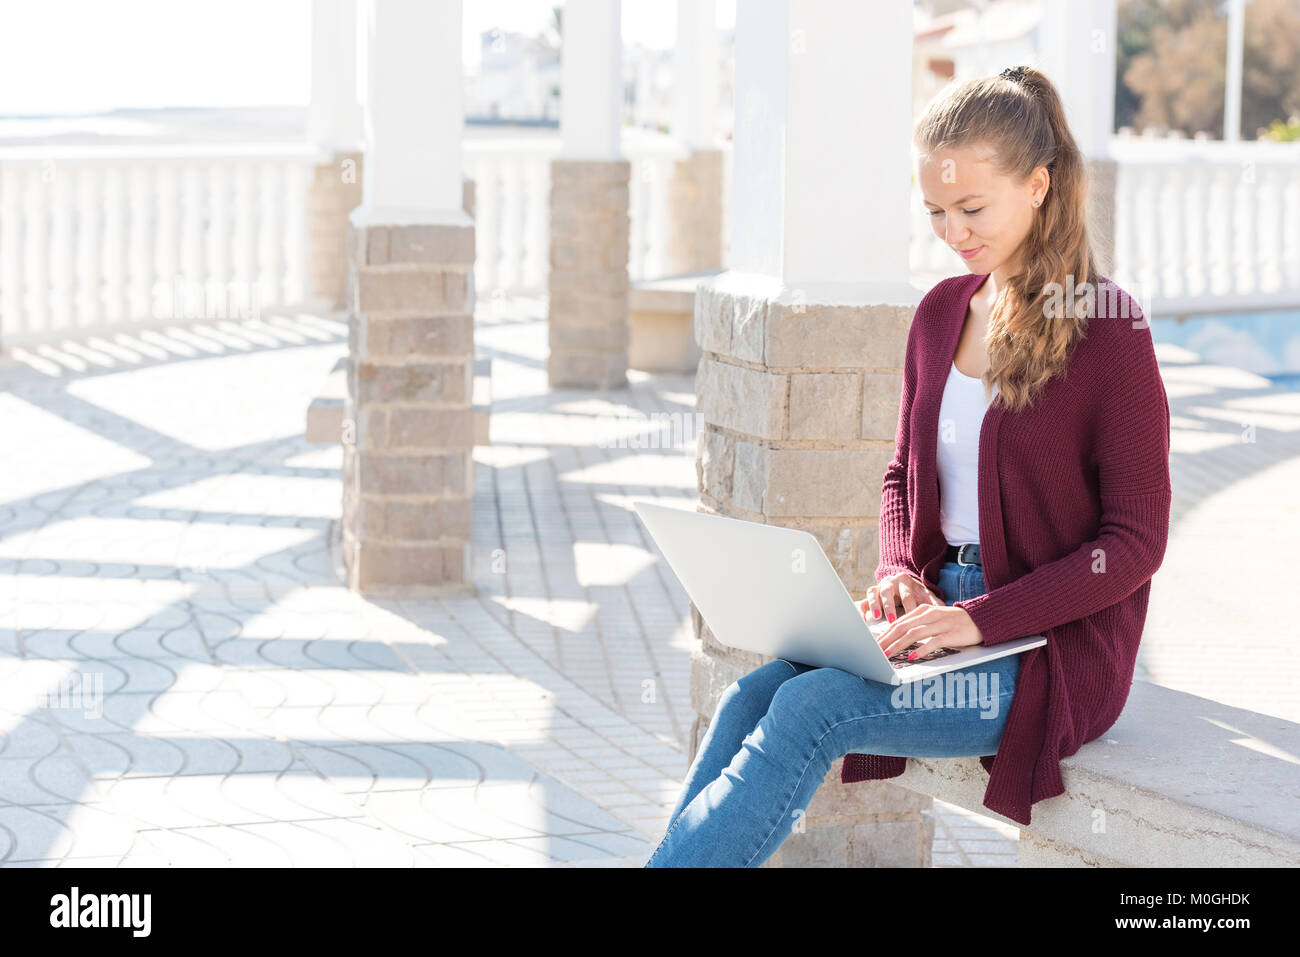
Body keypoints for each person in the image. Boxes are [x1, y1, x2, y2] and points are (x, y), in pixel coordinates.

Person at [644, 65, 1171, 867]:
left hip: (1047, 648)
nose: (953, 231)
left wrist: (979, 618)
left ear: (1037, 185)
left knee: (811, 707)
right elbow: (901, 473)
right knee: (754, 691)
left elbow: (1133, 543)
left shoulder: (1109, 330)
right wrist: (898, 568)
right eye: (934, 211)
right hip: (933, 619)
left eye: (971, 208)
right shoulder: (938, 315)